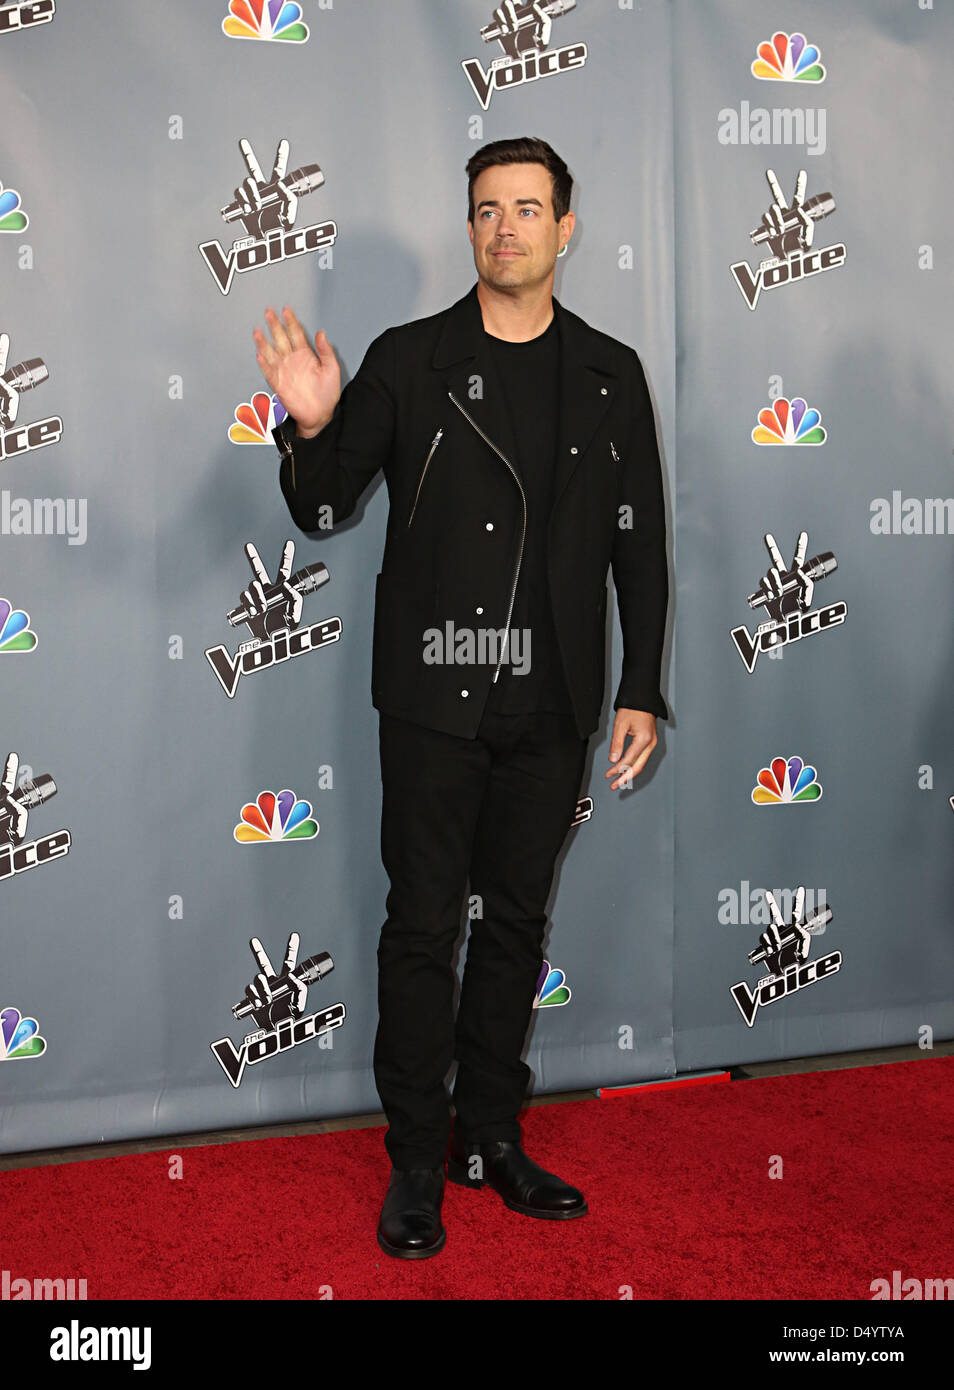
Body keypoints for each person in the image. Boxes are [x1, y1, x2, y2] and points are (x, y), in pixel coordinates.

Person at [253, 136, 669, 1260]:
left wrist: (641, 686)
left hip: (556, 704)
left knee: (518, 927)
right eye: (489, 208)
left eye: (530, 208)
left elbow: (642, 544)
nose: (507, 226)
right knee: (424, 927)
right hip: (435, 700)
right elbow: (326, 505)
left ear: (565, 228)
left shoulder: (611, 372)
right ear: (470, 224)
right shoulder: (411, 359)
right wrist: (312, 423)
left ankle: (492, 1141)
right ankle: (416, 1162)